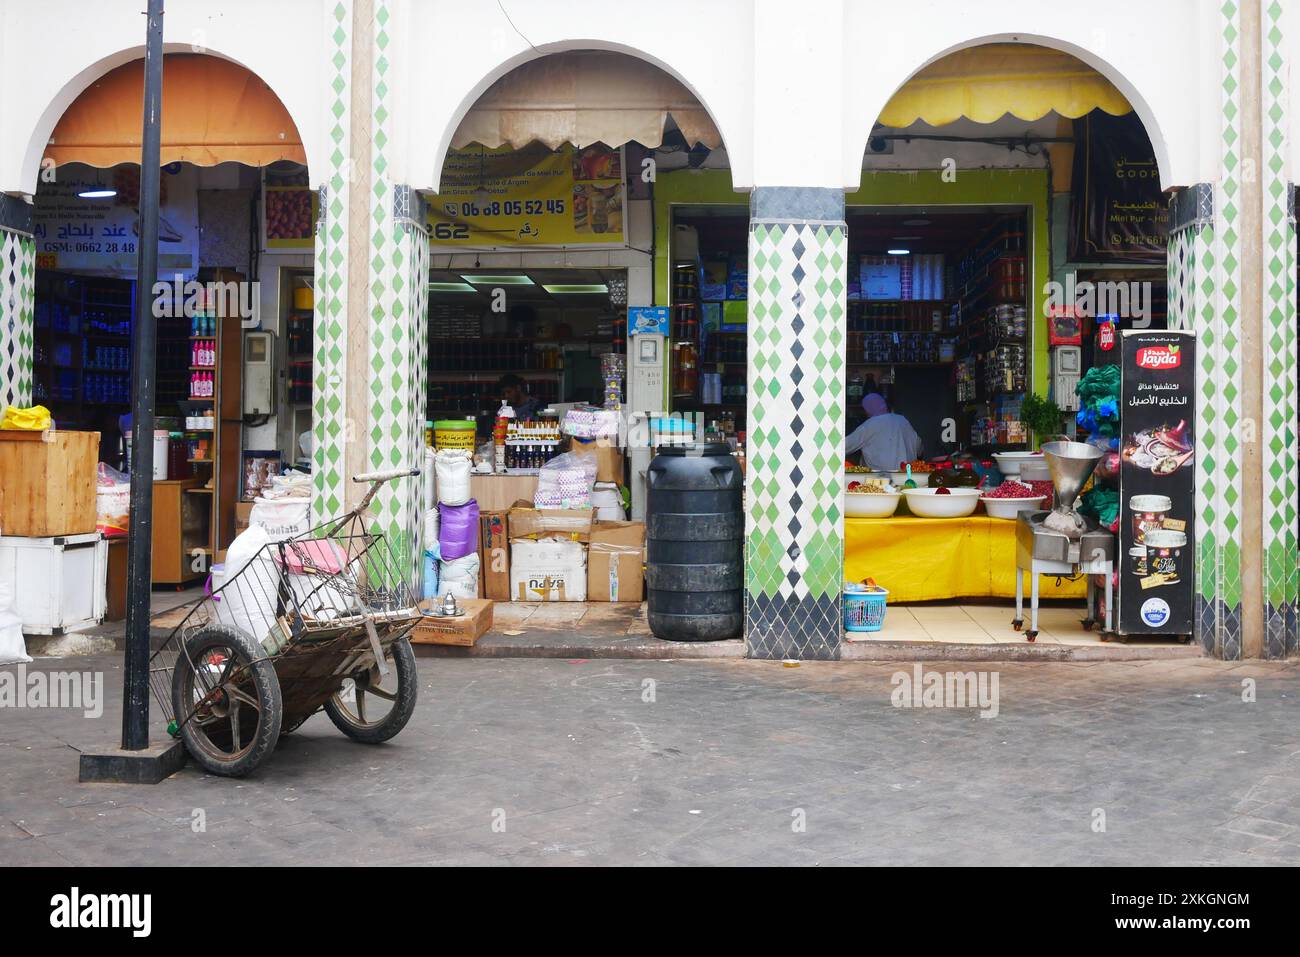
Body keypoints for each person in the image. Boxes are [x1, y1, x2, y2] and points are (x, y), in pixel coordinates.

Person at [846, 392, 923, 472]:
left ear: (867, 410)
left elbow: (845, 446)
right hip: (908, 476)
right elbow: (919, 448)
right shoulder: (903, 420)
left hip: (881, 479)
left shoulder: (869, 425)